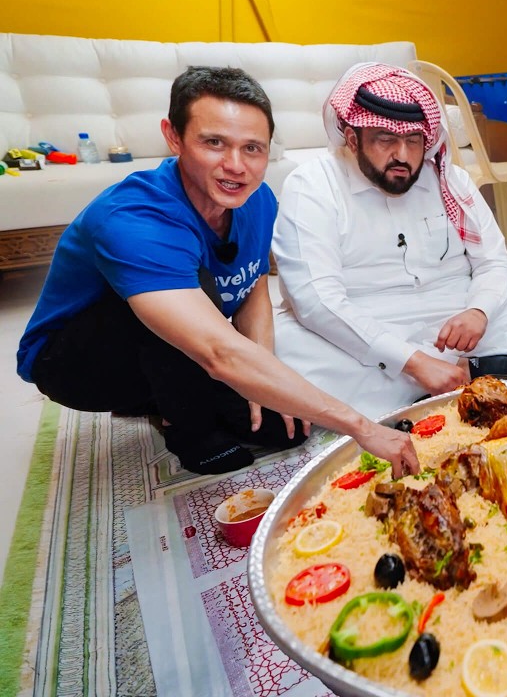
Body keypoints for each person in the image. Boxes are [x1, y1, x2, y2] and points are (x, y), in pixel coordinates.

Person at [15, 66, 418, 476]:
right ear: (174, 137)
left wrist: (261, 373)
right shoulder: (132, 217)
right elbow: (218, 351)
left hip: (181, 340)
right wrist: (360, 426)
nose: (236, 166)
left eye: (252, 148)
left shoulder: (258, 200)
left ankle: (158, 395)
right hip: (76, 364)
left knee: (285, 427)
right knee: (193, 300)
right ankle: (184, 427)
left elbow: (254, 283)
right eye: (214, 143)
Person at [272, 63, 507, 419]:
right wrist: (412, 361)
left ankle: (433, 387)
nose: (402, 155)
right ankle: (467, 374)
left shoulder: (450, 180)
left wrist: (478, 311)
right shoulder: (312, 184)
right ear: (353, 138)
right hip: (364, 323)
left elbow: (495, 262)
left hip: (456, 320)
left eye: (413, 141)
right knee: (284, 347)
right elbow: (317, 301)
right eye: (386, 139)